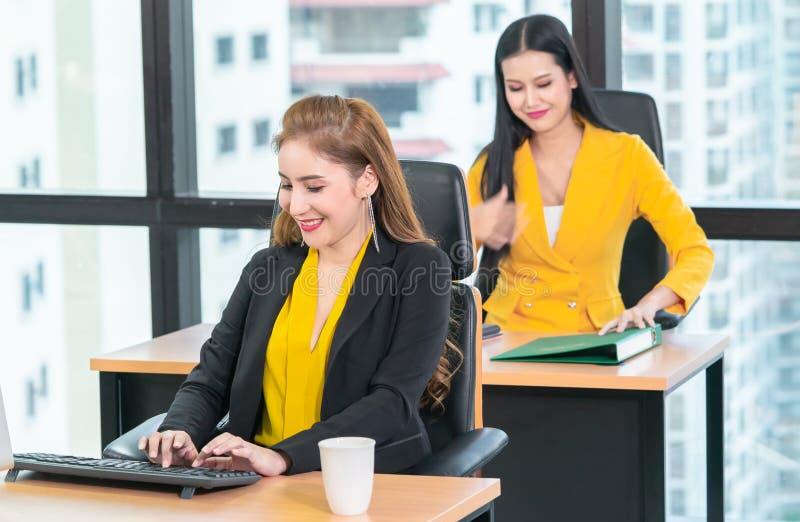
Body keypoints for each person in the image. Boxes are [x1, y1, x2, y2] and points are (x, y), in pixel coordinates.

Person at [138, 95, 457, 476]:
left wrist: (284, 456)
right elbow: (210, 380)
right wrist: (180, 430)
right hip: (255, 481)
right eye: (287, 185)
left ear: (367, 180)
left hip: (367, 481)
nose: (296, 205)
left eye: (315, 187)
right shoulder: (268, 268)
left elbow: (391, 403)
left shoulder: (420, 269)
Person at [468, 14, 713, 335]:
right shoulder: (493, 163)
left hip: (597, 337)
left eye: (543, 84)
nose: (530, 101)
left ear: (571, 77)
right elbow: (437, 269)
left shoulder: (628, 156)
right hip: (505, 342)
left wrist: (650, 304)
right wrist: (472, 228)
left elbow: (695, 251)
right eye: (515, 88)